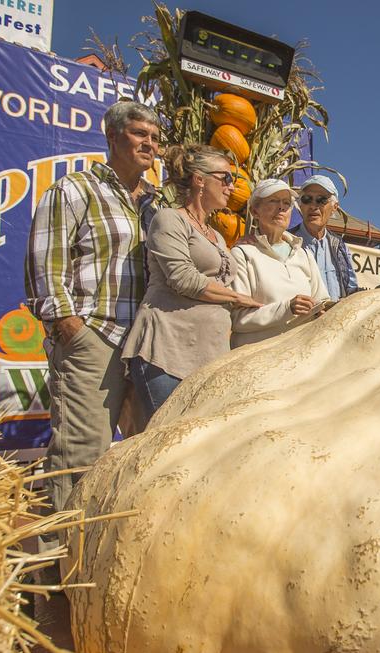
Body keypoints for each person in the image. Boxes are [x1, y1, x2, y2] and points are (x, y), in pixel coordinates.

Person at [24, 100, 161, 515]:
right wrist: (71, 327)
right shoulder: (74, 189)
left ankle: (104, 556)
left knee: (146, 456)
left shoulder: (154, 204)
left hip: (145, 344)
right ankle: (62, 564)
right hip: (95, 338)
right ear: (113, 137)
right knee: (81, 458)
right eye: (140, 134)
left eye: (155, 138)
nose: (149, 144)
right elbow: (45, 265)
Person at [121, 144, 261, 419]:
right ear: (200, 179)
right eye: (226, 178)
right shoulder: (169, 219)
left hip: (209, 354)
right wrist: (236, 298)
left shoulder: (217, 237)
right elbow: (183, 279)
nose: (231, 187)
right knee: (167, 442)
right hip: (168, 349)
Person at [230, 179, 329, 347]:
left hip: (298, 357)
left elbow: (322, 302)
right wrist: (287, 308)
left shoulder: (304, 255)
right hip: (255, 360)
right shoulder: (243, 254)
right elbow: (237, 319)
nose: (281, 207)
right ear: (255, 211)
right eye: (273, 201)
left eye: (286, 203)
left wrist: (324, 311)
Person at [291, 175, 358, 300]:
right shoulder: (287, 241)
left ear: (334, 207)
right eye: (307, 199)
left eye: (321, 200)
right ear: (300, 205)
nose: (313, 206)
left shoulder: (339, 246)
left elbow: (352, 291)